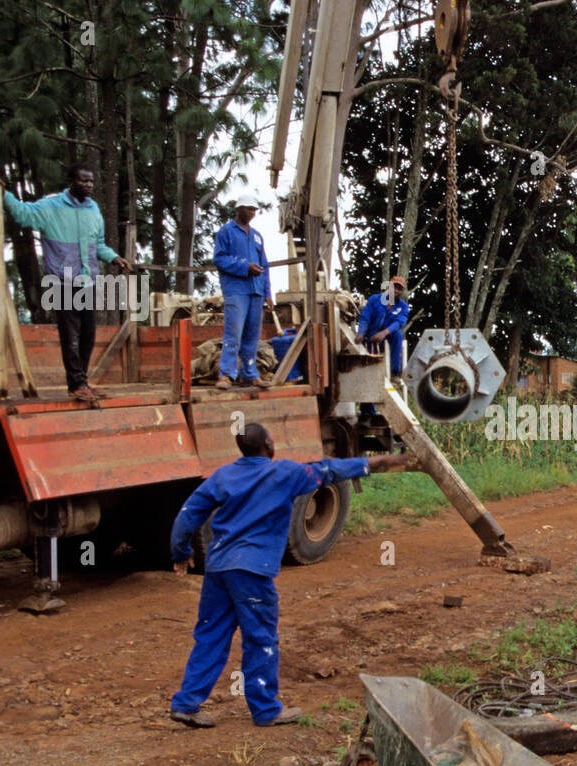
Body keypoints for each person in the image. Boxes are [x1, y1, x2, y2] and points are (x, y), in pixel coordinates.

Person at [168, 423, 413, 727]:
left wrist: (180, 552)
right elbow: (331, 470)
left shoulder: (223, 475)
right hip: (253, 571)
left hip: (218, 568)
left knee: (210, 635)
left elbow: (187, 514)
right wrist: (381, 462)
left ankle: (186, 703)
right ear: (268, 445)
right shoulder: (285, 473)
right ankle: (266, 710)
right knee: (260, 639)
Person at [3, 163, 132, 401]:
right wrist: (3, 193)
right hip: (61, 281)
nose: (89, 185)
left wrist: (115, 257)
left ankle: (81, 381)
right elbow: (22, 214)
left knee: (87, 335)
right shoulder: (50, 206)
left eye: (91, 181)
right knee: (70, 335)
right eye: (83, 181)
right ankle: (75, 384)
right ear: (70, 181)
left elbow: (99, 244)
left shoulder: (93, 210)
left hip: (88, 282)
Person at [212, 194, 274, 391]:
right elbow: (219, 259)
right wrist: (244, 267)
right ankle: (226, 374)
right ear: (238, 209)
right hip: (236, 290)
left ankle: (250, 373)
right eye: (249, 209)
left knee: (251, 336)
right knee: (234, 333)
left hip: (255, 290)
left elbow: (264, 265)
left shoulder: (256, 235)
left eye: (254, 210)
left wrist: (268, 293)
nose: (252, 213)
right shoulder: (226, 232)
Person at [355, 277, 410, 418]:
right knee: (369, 374)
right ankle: (368, 412)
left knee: (397, 335)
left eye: (399, 289)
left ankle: (395, 372)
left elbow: (399, 322)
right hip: (371, 338)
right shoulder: (375, 300)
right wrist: (361, 332)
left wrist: (384, 333)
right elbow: (365, 317)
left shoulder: (403, 307)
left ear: (402, 291)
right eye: (394, 287)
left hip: (387, 336)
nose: (396, 291)